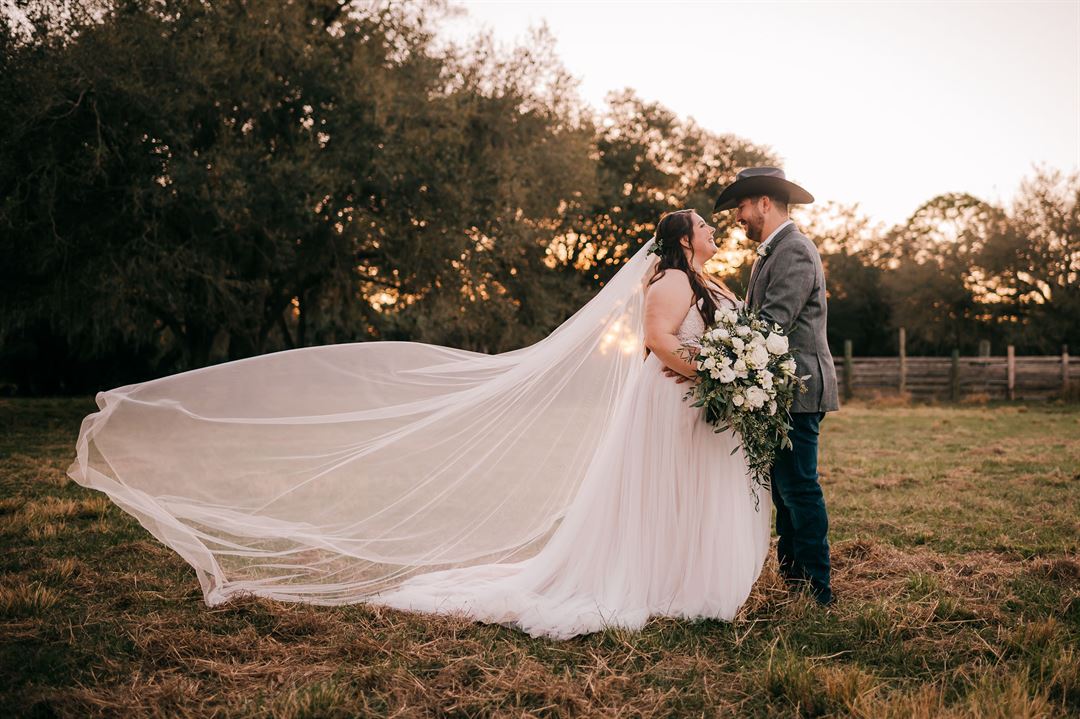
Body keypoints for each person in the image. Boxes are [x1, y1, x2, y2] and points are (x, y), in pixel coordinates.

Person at [67, 209, 771, 640]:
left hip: (694, 407)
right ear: (682, 240)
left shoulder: (711, 283)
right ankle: (654, 582)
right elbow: (657, 342)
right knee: (660, 495)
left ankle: (681, 579)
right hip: (671, 401)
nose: (712, 227)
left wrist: (734, 370)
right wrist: (717, 373)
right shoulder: (675, 281)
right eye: (702, 223)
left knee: (686, 495)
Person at [715, 167, 840, 605]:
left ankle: (816, 590)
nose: (737, 216)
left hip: (799, 388)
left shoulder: (794, 250)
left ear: (765, 203)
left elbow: (772, 324)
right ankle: (795, 583)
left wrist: (719, 357)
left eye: (742, 207)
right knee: (784, 491)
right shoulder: (773, 251)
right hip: (780, 388)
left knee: (799, 487)